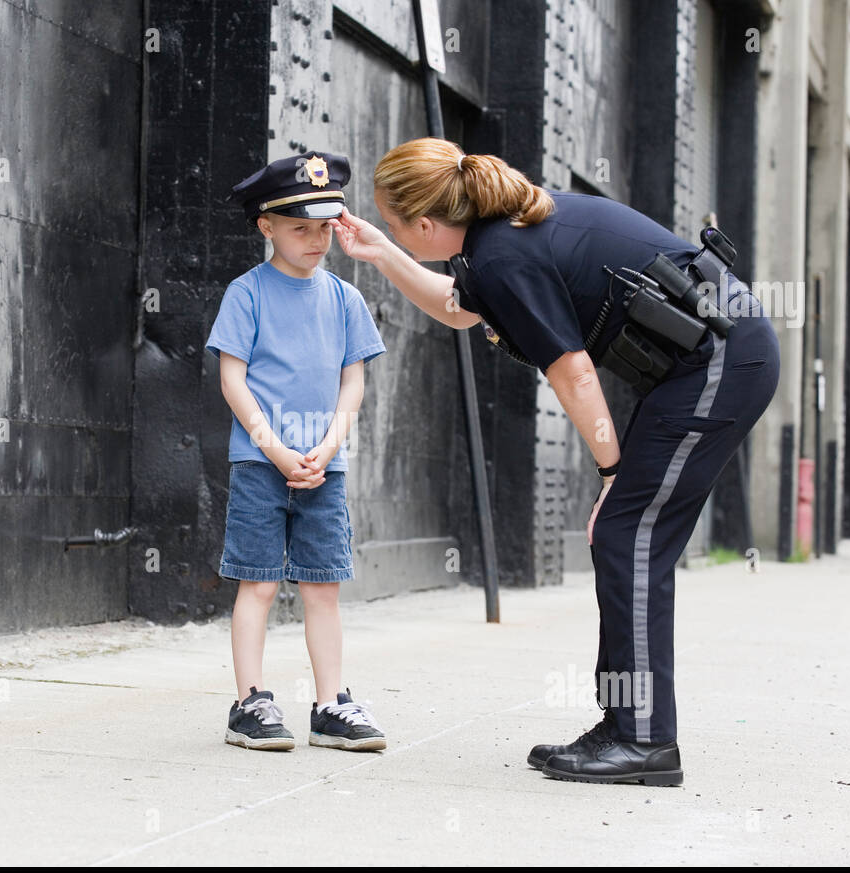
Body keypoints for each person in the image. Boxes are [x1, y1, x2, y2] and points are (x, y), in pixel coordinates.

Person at [330, 137, 780, 785]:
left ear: (428, 224)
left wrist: (609, 470)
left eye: (398, 226)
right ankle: (626, 725)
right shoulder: (499, 241)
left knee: (628, 534)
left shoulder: (504, 254)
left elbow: (571, 371)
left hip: (722, 363)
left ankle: (643, 739)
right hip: (708, 364)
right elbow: (459, 309)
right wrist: (382, 251)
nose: (397, 233)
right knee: (623, 536)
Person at [205, 151, 389, 753]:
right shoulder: (246, 293)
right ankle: (249, 702)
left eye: (324, 228)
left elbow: (353, 382)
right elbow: (234, 380)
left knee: (322, 586)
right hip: (263, 465)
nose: (315, 240)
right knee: (256, 583)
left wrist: (328, 446)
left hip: (324, 469)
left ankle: (331, 704)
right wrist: (279, 451)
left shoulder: (345, 299)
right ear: (267, 227)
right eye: (299, 228)